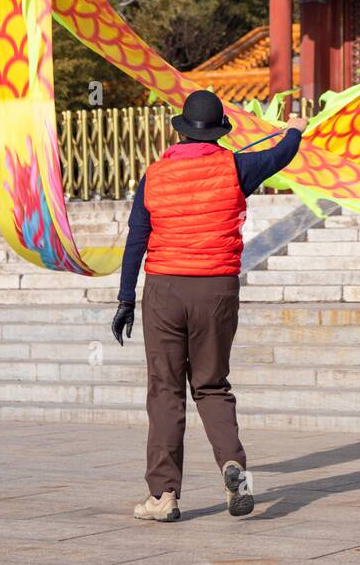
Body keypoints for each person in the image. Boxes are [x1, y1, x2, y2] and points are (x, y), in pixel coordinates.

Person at [111, 89, 304, 523]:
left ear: (182, 130)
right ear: (218, 132)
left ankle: (163, 497)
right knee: (212, 385)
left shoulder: (154, 176)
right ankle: (233, 466)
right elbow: (282, 155)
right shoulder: (236, 166)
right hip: (216, 290)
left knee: (165, 390)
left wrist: (126, 297)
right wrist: (294, 129)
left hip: (164, 289)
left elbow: (136, 240)